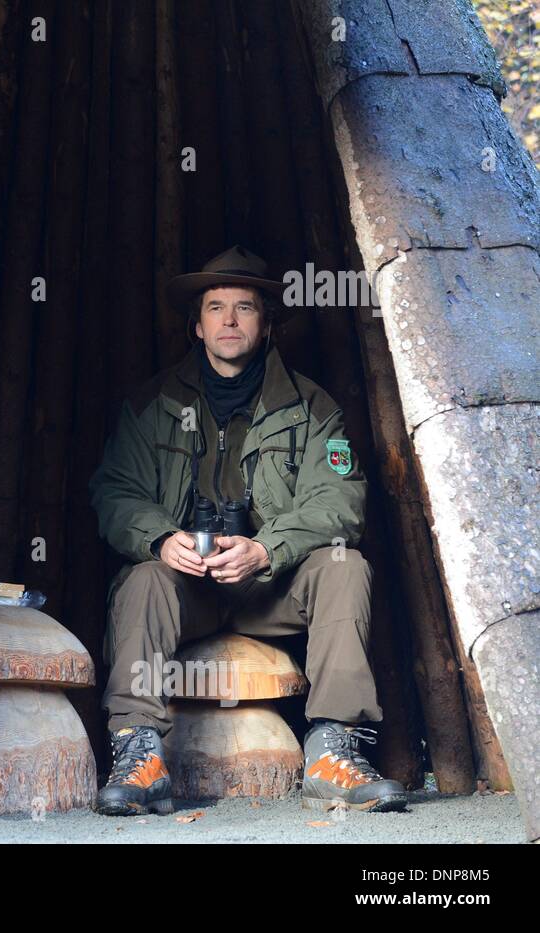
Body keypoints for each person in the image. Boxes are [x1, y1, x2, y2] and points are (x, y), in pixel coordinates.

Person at [88, 245, 407, 816]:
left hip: (271, 588)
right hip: (186, 584)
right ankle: (138, 752)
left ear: (266, 324)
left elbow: (340, 503)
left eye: (244, 307)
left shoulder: (314, 409)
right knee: (142, 580)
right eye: (215, 307)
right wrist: (163, 539)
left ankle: (334, 749)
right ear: (197, 323)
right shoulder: (151, 404)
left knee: (343, 565)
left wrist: (265, 550)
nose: (229, 320)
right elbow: (115, 493)